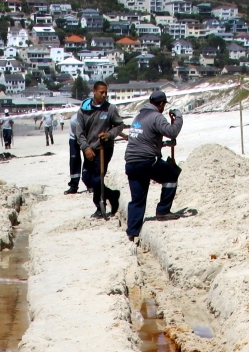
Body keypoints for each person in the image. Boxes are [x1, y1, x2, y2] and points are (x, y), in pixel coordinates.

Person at [124, 90, 183, 240]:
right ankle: (163, 211)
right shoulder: (156, 116)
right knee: (171, 175)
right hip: (147, 161)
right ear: (161, 104)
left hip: (131, 162)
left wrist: (164, 144)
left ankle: (132, 230)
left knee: (137, 199)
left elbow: (145, 141)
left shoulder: (138, 117)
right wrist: (179, 117)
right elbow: (172, 131)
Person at [74, 81, 124, 218]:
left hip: (104, 148)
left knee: (97, 179)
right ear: (94, 91)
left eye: (106, 92)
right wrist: (85, 148)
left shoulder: (110, 109)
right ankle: (112, 194)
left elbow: (119, 126)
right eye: (101, 92)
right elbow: (79, 132)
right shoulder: (83, 110)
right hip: (89, 149)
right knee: (86, 178)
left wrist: (109, 135)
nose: (104, 95)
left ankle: (99, 205)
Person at [65, 110, 82, 193]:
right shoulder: (74, 120)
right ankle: (74, 186)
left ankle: (91, 184)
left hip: (87, 137)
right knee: (74, 161)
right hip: (74, 138)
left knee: (90, 159)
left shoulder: (91, 117)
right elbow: (79, 135)